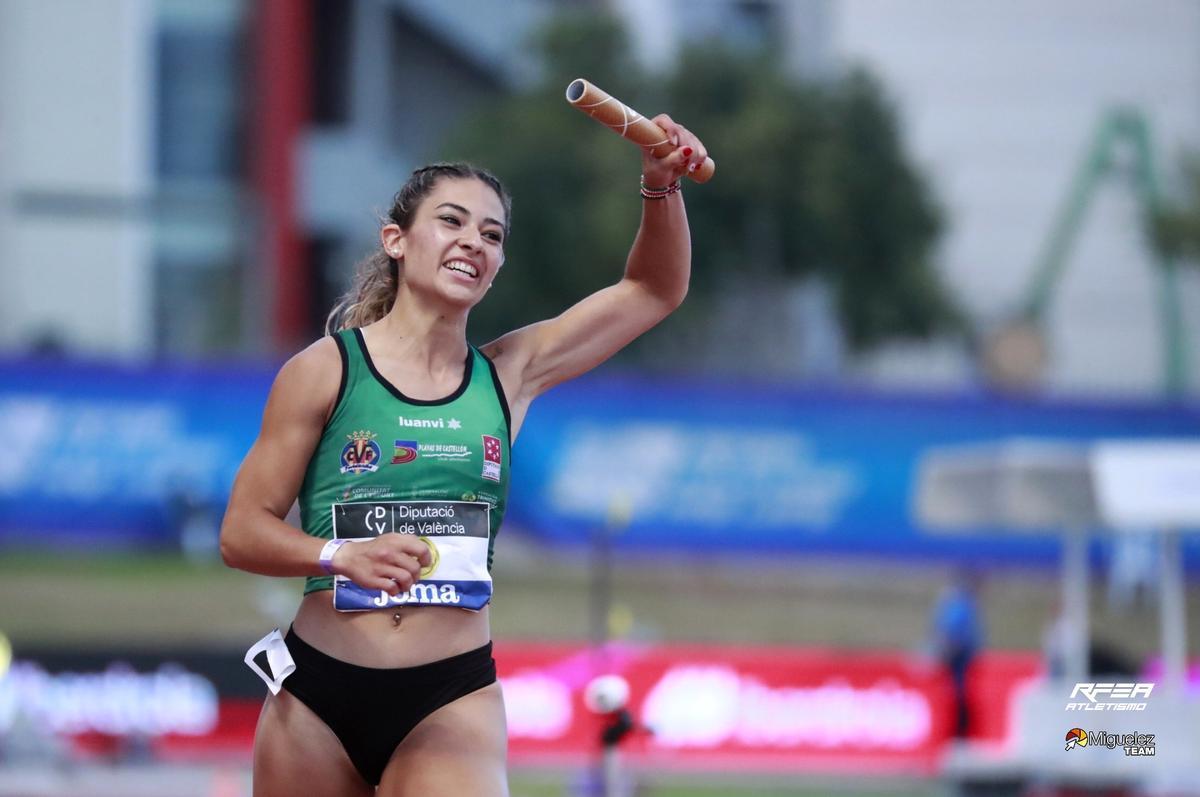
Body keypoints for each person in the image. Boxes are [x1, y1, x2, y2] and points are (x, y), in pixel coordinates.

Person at [219, 115, 706, 796]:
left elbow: (654, 290)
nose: (473, 241)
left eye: (492, 234)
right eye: (451, 221)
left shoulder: (509, 373)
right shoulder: (324, 371)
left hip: (447, 699)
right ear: (397, 240)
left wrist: (660, 188)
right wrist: (338, 555)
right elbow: (241, 531)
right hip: (317, 696)